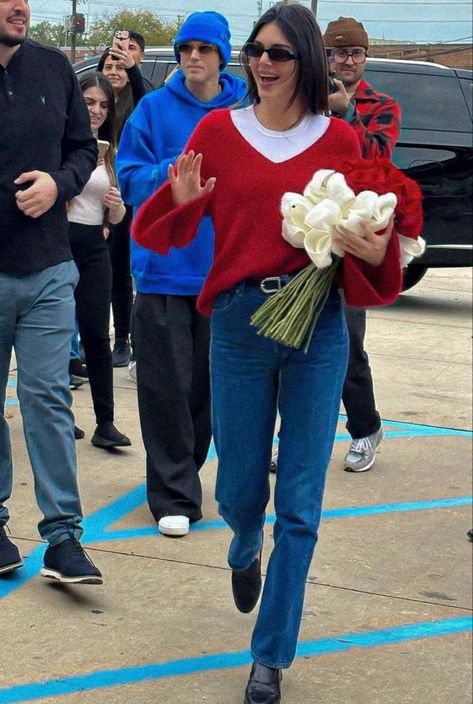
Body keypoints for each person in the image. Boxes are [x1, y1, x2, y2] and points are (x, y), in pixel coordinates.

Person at [132, 4, 421, 701]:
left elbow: (375, 239)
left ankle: (270, 654)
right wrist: (175, 199)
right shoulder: (217, 131)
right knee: (236, 488)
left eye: (279, 54)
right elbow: (157, 233)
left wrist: (376, 248)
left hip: (316, 326)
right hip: (236, 323)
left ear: (306, 64)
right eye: (255, 51)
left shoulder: (340, 139)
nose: (262, 63)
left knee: (299, 503)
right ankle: (240, 541)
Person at [117, 11, 246, 537]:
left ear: (222, 57)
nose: (195, 57)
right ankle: (173, 495)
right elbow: (127, 178)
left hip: (224, 275)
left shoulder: (246, 114)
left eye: (205, 49)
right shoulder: (151, 109)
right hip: (163, 273)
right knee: (164, 390)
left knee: (208, 394)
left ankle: (184, 474)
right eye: (186, 48)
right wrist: (174, 176)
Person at [0, 0, 102, 583]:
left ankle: (63, 536)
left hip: (48, 267)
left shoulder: (55, 68)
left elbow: (83, 148)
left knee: (48, 400)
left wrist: (58, 183)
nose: (21, 6)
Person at [324, 17, 402, 472]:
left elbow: (376, 158)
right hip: (308, 229)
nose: (347, 61)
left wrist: (346, 112)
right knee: (292, 342)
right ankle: (291, 434)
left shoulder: (381, 105)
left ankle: (365, 427)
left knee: (347, 341)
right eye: (338, 53)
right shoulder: (306, 102)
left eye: (355, 53)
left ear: (365, 57)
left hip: (355, 236)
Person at [67, 72, 131, 450]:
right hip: (58, 244)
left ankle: (105, 423)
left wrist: (117, 209)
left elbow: (115, 218)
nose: (96, 111)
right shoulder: (63, 143)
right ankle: (60, 417)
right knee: (57, 340)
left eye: (104, 105)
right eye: (90, 102)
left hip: (94, 245)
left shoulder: (112, 152)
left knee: (96, 335)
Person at [98, 45, 147, 367]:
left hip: (126, 196)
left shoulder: (139, 105)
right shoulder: (93, 102)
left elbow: (145, 98)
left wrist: (134, 71)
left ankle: (130, 338)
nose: (114, 71)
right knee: (105, 271)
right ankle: (108, 339)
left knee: (126, 270)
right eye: (108, 65)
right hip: (97, 194)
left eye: (120, 66)